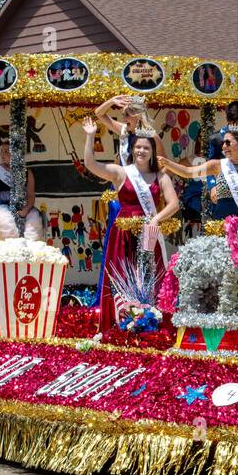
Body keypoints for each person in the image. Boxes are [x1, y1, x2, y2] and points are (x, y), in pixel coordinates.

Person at [81, 116, 180, 332]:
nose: (141, 151)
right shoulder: (121, 173)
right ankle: (121, 323)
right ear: (132, 150)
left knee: (150, 275)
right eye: (138, 147)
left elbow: (174, 204)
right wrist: (90, 136)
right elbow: (90, 164)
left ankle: (151, 322)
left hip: (149, 232)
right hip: (123, 234)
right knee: (122, 276)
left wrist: (155, 218)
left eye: (146, 148)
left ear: (153, 151)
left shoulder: (160, 175)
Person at [160, 125, 238, 224]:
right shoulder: (216, 165)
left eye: (228, 142)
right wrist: (167, 163)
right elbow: (188, 172)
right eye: (222, 143)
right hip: (221, 224)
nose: (224, 147)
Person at [0, 142, 44, 245]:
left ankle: (31, 253)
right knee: (5, 220)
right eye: (2, 151)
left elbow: (30, 195)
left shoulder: (27, 172)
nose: (4, 154)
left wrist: (26, 209)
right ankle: (12, 251)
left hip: (21, 205)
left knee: (34, 217)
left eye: (7, 151)